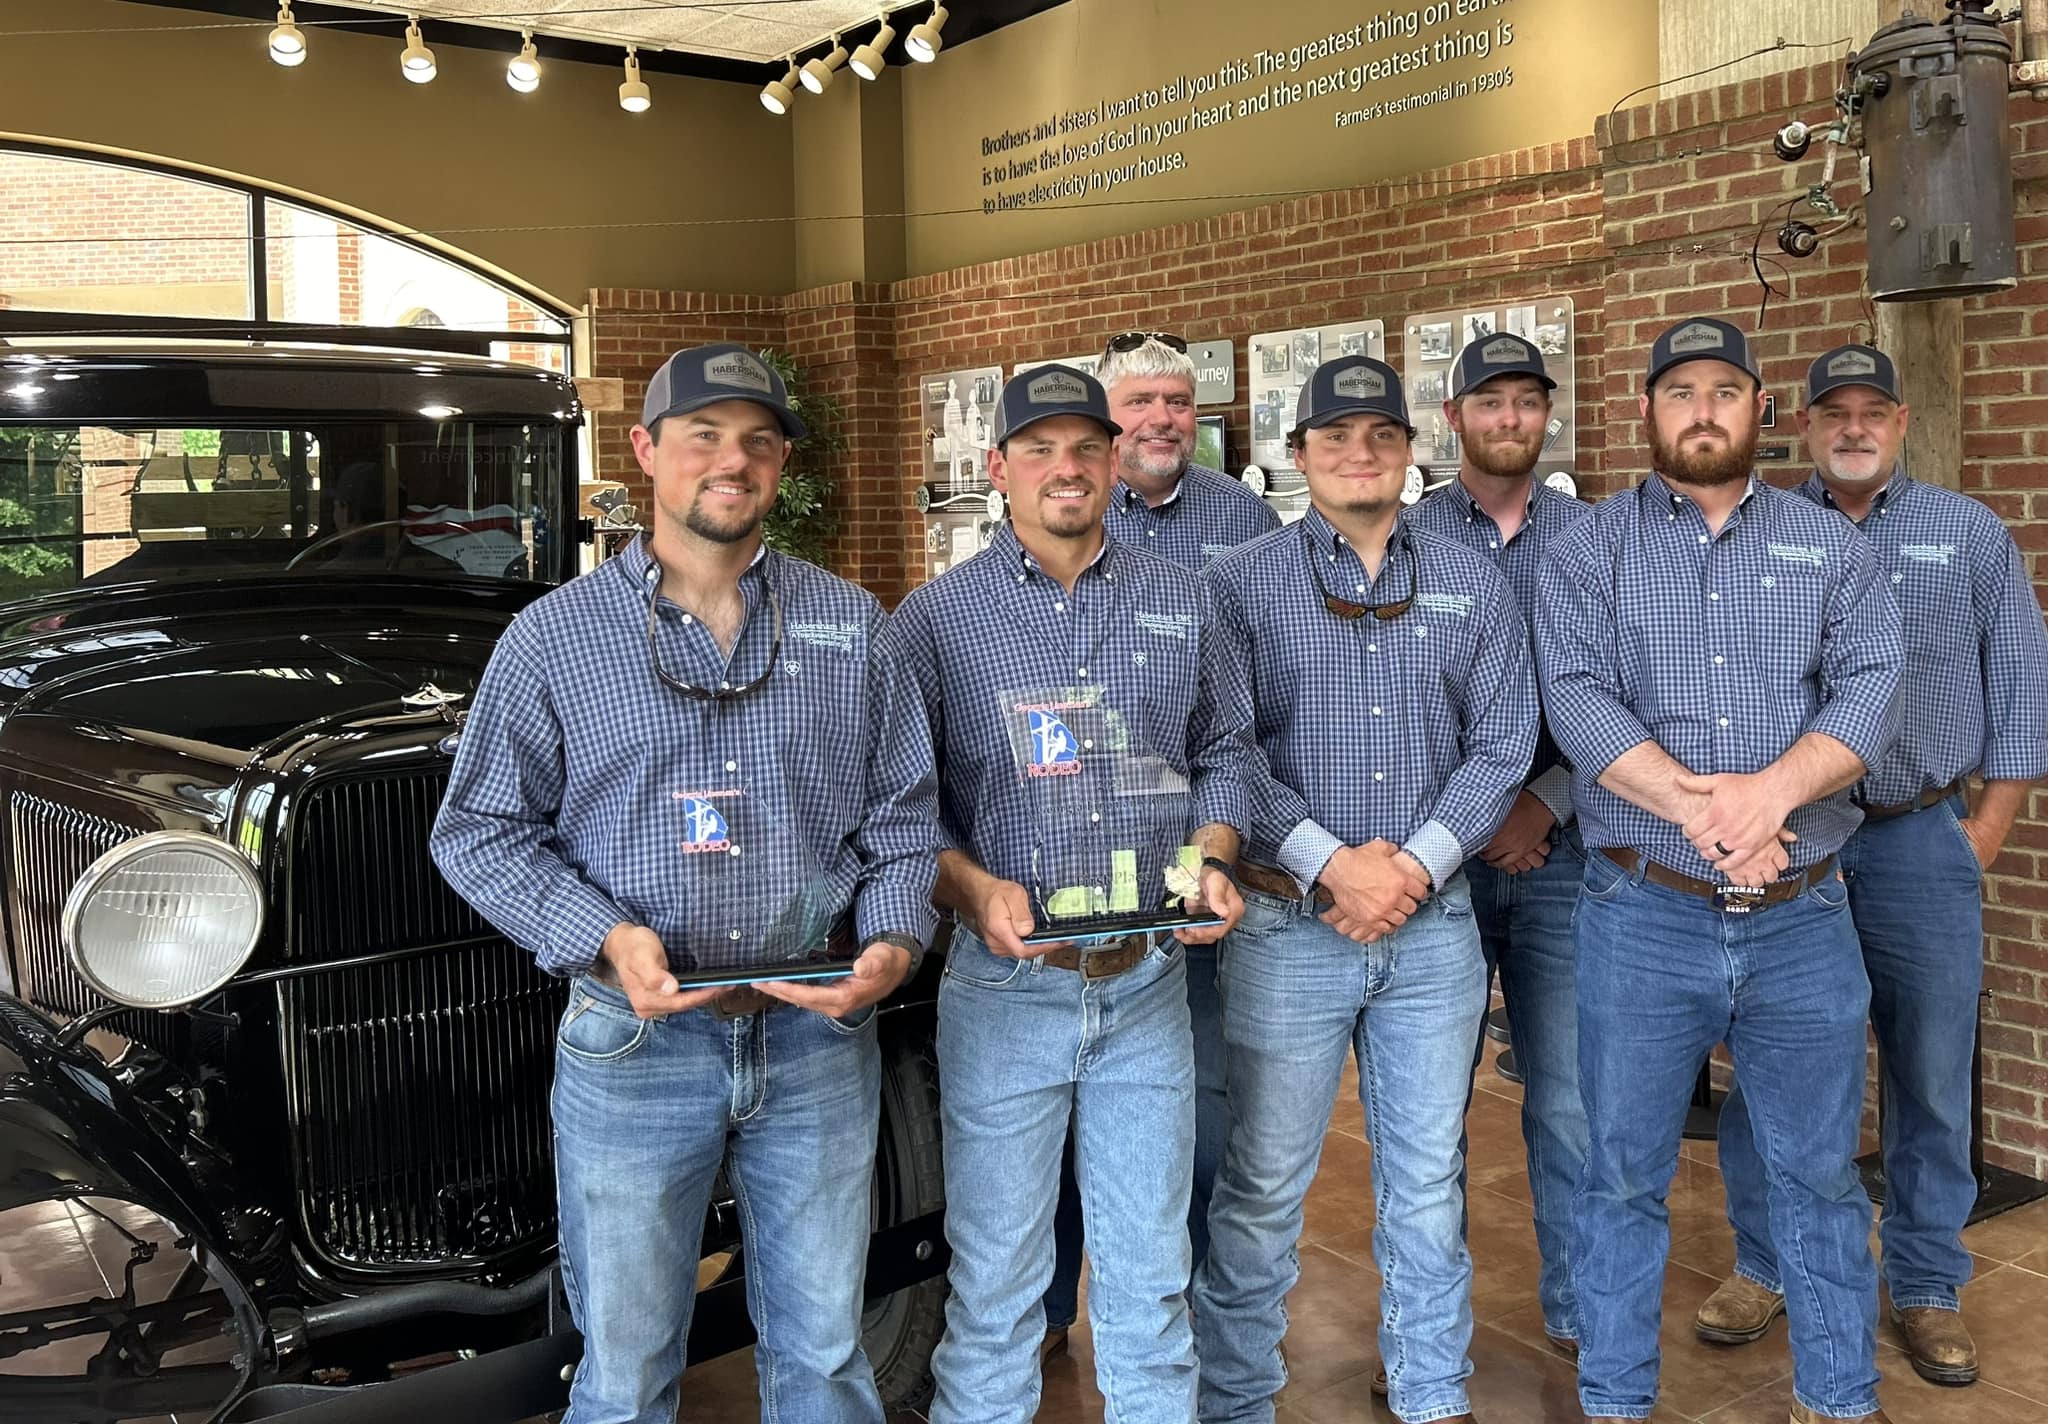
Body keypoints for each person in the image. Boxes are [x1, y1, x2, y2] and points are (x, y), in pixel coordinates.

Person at [431, 342, 938, 1424]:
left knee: (826, 1356)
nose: (731, 459)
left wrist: (890, 947)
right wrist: (605, 933)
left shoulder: (853, 627)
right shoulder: (552, 639)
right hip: (634, 1047)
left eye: (757, 440)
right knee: (623, 1374)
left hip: (816, 1041)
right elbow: (476, 830)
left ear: (781, 464)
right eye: (702, 435)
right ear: (647, 450)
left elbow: (902, 821)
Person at [1534, 317, 1903, 1424]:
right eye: (1679, 390)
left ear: (1761, 411)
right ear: (1646, 410)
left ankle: (1835, 1399)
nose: (1702, 409)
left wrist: (1770, 794)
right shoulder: (1584, 549)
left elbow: (1871, 686)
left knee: (1819, 1175)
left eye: (1725, 391)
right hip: (1640, 908)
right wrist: (1711, 808)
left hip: (1800, 914)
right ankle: (1612, 1398)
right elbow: (1578, 699)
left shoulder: (1831, 546)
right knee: (1619, 1175)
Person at [881, 364, 1249, 1424]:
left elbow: (1225, 750)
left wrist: (1214, 849)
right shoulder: (934, 621)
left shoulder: (1184, 599)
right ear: (996, 469)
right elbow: (905, 809)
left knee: (1148, 1276)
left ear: (1114, 460)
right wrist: (967, 888)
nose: (1066, 468)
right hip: (1006, 993)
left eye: (1085, 447)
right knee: (994, 1283)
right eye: (1037, 449)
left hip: (1146, 984)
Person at [1195, 355, 1538, 1424]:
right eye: (1333, 437)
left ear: (1407, 450)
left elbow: (1501, 742)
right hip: (1287, 929)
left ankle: (1432, 1392)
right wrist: (1328, 862)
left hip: (1431, 932)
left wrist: (1416, 864)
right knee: (1260, 1186)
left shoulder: (1472, 579)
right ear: (1294, 457)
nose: (1358, 453)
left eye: (1379, 436)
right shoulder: (1237, 580)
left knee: (1428, 1182)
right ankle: (1236, 1398)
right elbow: (1224, 748)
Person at [1698, 343, 2048, 1386]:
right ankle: (1763, 1262)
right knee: (1768, 1069)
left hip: (1914, 835)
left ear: (1899, 423)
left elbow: (2021, 690)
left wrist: (1973, 834)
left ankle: (1926, 1280)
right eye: (1830, 412)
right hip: (1793, 841)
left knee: (1929, 1070)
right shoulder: (1760, 532)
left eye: (1871, 411)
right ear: (1798, 425)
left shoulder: (1967, 533)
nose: (1851, 427)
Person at [1036, 332, 1280, 1364]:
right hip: (1068, 869)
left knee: (1196, 1109)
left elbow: (1251, 703)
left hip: (1190, 876)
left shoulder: (1244, 520)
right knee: (1051, 1116)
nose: (1161, 418)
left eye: (1177, 399)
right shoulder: (1051, 511)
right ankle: (1045, 1309)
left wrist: (1219, 850)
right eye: (1139, 400)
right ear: (1103, 419)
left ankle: (1163, 1303)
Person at [1406, 330, 1590, 1363]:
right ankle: (1432, 1338)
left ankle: (1573, 1312)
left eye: (1526, 400)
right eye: (1489, 402)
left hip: (1561, 856)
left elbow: (1627, 688)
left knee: (1565, 1099)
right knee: (1428, 1113)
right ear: (1453, 418)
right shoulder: (1409, 533)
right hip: (1438, 858)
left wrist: (1547, 801)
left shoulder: (1594, 534)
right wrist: (1474, 820)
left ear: (1544, 414)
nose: (1508, 418)